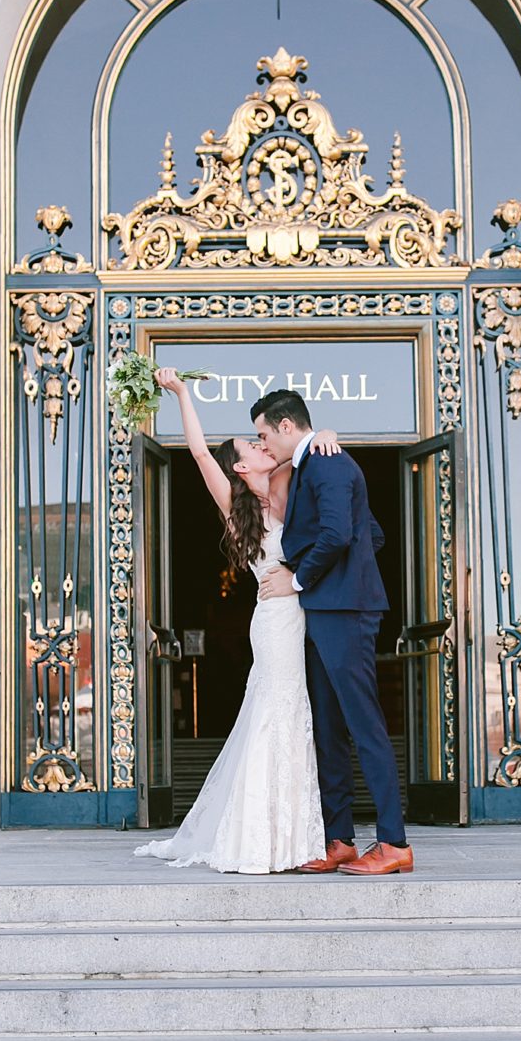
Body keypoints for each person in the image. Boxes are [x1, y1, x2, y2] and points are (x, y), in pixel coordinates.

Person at [133, 369, 338, 875]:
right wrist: (181, 393)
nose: (260, 443)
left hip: (297, 615)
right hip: (273, 621)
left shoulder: (291, 482)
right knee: (276, 714)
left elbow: (315, 454)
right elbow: (202, 454)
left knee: (290, 718)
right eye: (251, 444)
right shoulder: (238, 506)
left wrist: (330, 435)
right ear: (241, 466)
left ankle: (288, 836)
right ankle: (259, 838)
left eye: (259, 435)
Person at [252, 388, 412, 876]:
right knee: (328, 728)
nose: (262, 445)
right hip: (327, 610)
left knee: (364, 726)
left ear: (285, 425)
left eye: (263, 434)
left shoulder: (327, 463)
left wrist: (297, 579)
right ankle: (339, 839)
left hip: (346, 612)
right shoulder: (312, 466)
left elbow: (340, 534)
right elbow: (368, 534)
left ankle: (393, 844)